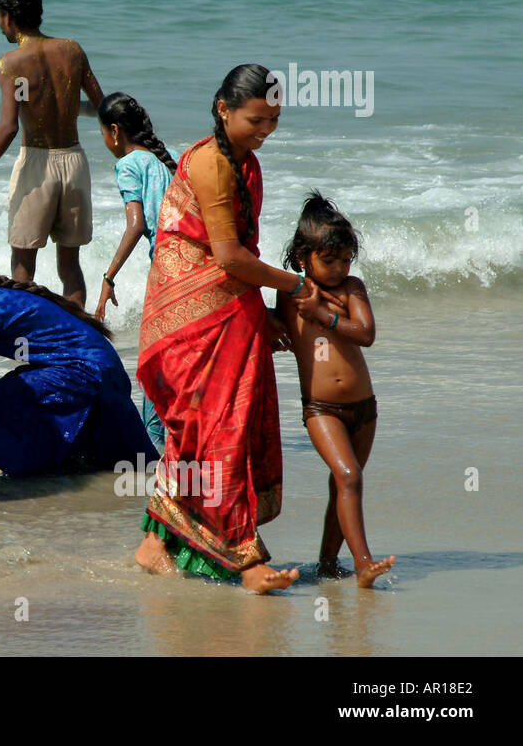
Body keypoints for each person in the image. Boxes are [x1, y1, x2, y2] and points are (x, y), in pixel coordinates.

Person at [133, 64, 311, 594]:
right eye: (257, 119)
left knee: (203, 436)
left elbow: (240, 255)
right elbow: (231, 257)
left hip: (230, 311)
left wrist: (266, 310)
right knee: (214, 433)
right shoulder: (211, 164)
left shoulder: (247, 163)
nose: (266, 130)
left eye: (274, 120)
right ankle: (244, 559)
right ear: (223, 109)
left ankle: (155, 544)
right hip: (189, 318)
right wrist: (296, 287)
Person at [0, 233, 156, 475]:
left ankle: (29, 474)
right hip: (101, 368)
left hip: (87, 370)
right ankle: (51, 465)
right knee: (17, 389)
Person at [0, 0, 105, 307]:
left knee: (23, 265)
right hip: (74, 161)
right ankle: (75, 336)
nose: (0, 24)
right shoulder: (72, 50)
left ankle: (25, 340)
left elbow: (9, 126)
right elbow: (100, 105)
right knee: (70, 266)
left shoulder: (11, 63)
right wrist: (69, 110)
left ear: (9, 17)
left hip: (37, 165)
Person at [278, 193, 394, 587]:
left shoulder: (352, 289)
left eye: (345, 259)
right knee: (349, 475)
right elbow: (273, 329)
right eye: (329, 261)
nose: (339, 268)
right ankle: (364, 564)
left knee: (342, 483)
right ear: (301, 258)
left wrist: (323, 315)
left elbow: (366, 334)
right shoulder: (289, 293)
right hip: (321, 408)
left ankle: (329, 563)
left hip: (365, 409)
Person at [92, 92, 178, 450]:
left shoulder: (129, 164)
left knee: (152, 364)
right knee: (171, 362)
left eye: (102, 133)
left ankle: (156, 452)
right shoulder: (161, 163)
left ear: (114, 131)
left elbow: (136, 223)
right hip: (187, 266)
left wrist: (108, 278)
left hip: (167, 271)